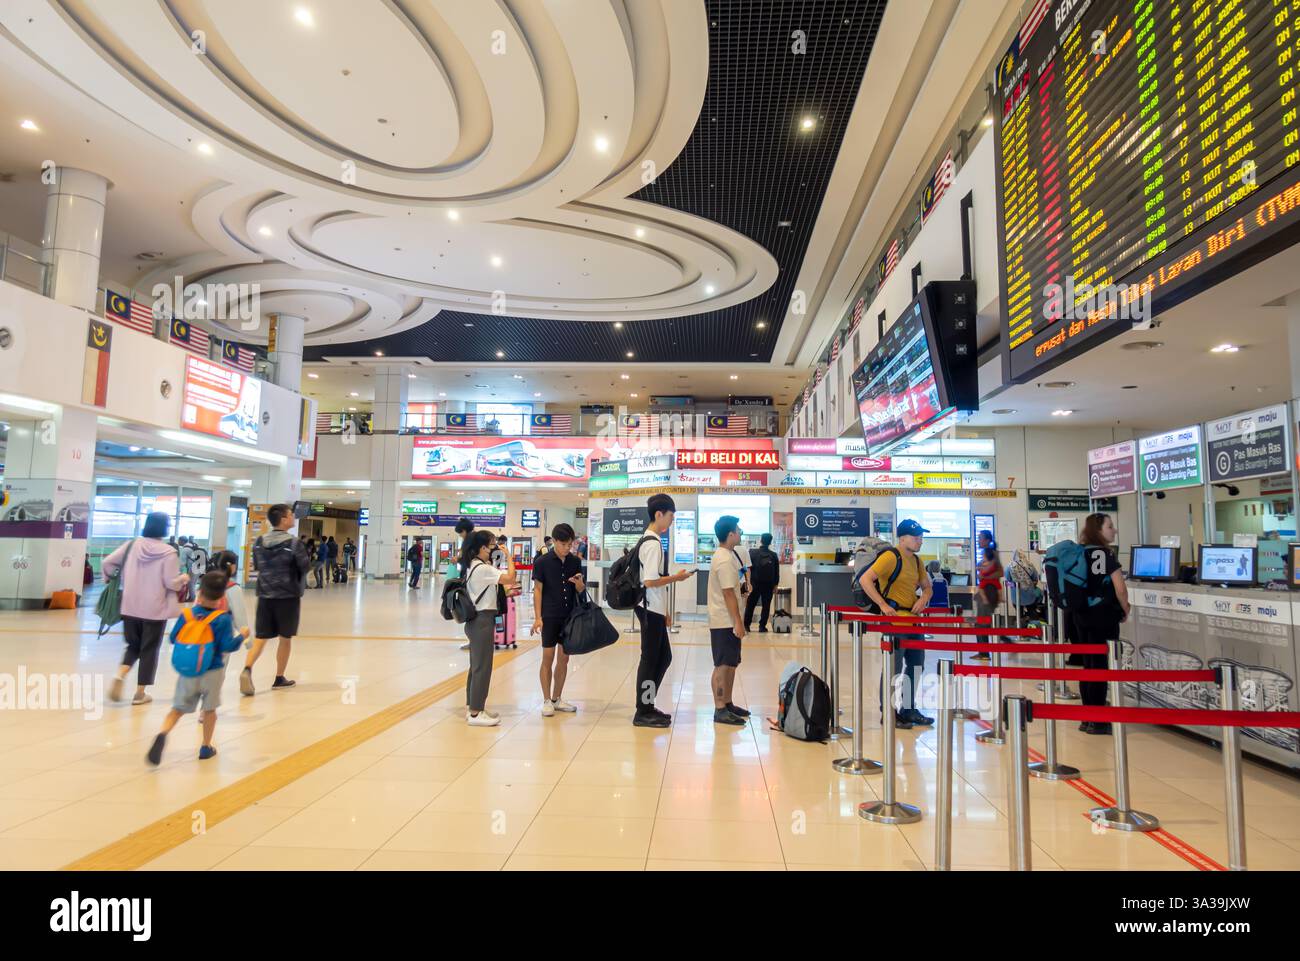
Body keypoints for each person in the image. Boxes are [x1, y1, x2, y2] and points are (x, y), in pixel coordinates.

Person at [146, 571, 244, 765]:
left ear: (199, 593)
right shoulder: (223, 619)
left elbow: (173, 638)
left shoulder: (187, 615)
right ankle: (206, 747)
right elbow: (227, 647)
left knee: (177, 709)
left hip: (189, 672)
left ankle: (163, 733)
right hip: (213, 671)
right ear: (222, 597)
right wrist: (242, 635)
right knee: (209, 710)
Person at [102, 511, 190, 705]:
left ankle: (120, 675)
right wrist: (183, 579)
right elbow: (171, 583)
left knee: (133, 645)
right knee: (149, 649)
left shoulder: (131, 545)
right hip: (155, 609)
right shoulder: (169, 552)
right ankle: (140, 693)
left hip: (129, 606)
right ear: (165, 529)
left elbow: (107, 562)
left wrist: (108, 577)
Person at [859, 519, 934, 729]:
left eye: (921, 537)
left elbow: (927, 587)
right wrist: (882, 604)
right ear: (902, 538)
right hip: (894, 622)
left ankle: (908, 709)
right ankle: (889, 712)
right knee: (893, 667)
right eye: (915, 537)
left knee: (916, 665)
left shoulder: (917, 561)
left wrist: (923, 598)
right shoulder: (891, 557)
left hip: (913, 621)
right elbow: (866, 580)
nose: (920, 541)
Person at [633, 494, 694, 727]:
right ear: (659, 514)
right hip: (649, 610)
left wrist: (664, 610)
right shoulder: (652, 543)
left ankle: (647, 704)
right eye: (670, 517)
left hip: (653, 609)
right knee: (650, 659)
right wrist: (676, 578)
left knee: (663, 657)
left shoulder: (650, 540)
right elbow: (649, 581)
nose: (671, 522)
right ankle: (643, 710)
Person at [240, 503, 309, 696]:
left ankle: (247, 668)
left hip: (264, 595)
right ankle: (279, 677)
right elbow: (304, 566)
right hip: (288, 596)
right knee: (285, 638)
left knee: (261, 638)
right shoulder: (294, 543)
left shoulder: (259, 541)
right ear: (284, 519)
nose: (293, 517)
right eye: (291, 515)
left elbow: (257, 565)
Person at [1073, 513, 1130, 735]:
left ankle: (1087, 717)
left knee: (1088, 665)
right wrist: (1125, 608)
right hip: (1103, 615)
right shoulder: (1106, 554)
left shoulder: (1079, 552)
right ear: (1098, 530)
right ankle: (1098, 721)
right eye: (1110, 526)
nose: (1113, 530)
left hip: (1080, 616)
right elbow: (1121, 588)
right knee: (1100, 666)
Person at [460, 530, 518, 725]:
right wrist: (509, 556)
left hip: (476, 620)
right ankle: (476, 713)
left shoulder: (475, 565)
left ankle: (472, 707)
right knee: (482, 667)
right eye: (492, 544)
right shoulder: (483, 569)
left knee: (476, 666)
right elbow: (510, 578)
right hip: (482, 620)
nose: (495, 547)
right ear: (483, 547)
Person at [531, 523, 584, 716]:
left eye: (570, 544)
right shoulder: (542, 562)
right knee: (547, 657)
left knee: (564, 658)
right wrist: (538, 617)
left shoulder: (574, 562)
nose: (567, 548)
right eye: (563, 544)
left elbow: (580, 589)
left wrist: (579, 584)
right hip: (549, 615)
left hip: (569, 616)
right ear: (554, 542)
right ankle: (546, 700)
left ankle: (557, 698)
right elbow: (538, 590)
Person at [707, 516, 748, 725]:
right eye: (738, 530)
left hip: (728, 619)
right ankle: (719, 708)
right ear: (730, 534)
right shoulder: (723, 559)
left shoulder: (730, 555)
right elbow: (727, 593)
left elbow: (734, 587)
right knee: (723, 664)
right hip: (724, 620)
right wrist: (738, 621)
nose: (740, 532)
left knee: (731, 664)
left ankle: (728, 702)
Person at [209, 549, 251, 648]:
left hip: (202, 633)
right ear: (232, 566)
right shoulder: (233, 588)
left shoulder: (207, 582)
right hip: (221, 635)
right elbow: (240, 618)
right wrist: (248, 642)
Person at [973, 534, 1003, 661]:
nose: (978, 540)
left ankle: (985, 653)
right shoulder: (986, 553)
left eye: (980, 538)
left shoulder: (992, 554)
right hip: (985, 590)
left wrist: (984, 577)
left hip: (989, 591)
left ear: (987, 540)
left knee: (982, 622)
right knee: (980, 622)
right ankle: (983, 651)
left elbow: (1000, 572)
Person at [744, 532, 780, 632]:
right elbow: (777, 571)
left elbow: (748, 568)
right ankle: (762, 626)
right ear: (770, 542)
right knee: (766, 605)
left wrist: (748, 582)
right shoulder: (773, 555)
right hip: (768, 584)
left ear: (761, 540)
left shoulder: (752, 552)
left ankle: (746, 625)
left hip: (755, 583)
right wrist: (776, 585)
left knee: (751, 604)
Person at [452, 518, 475, 652]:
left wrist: (458, 559)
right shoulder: (475, 538)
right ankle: (473, 641)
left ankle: (473, 641)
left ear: (464, 530)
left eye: (460, 533)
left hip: (468, 578)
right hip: (471, 577)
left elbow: (468, 559)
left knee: (469, 609)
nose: (460, 536)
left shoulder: (470, 540)